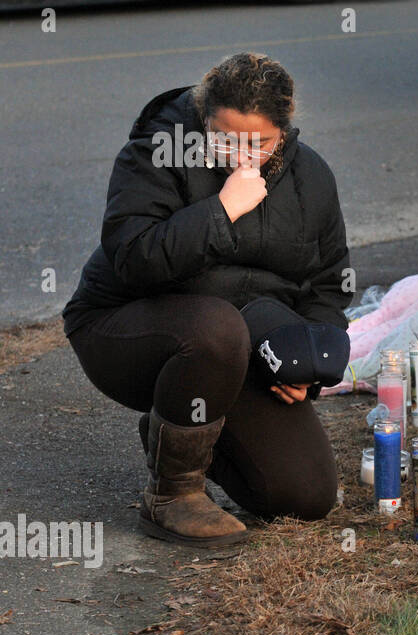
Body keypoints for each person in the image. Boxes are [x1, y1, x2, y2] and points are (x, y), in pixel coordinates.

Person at [62, 53, 352, 547]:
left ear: (283, 131)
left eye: (256, 143)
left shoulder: (312, 178)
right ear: (203, 119)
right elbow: (133, 257)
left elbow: (329, 285)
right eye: (223, 138)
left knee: (305, 496)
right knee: (216, 327)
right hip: (129, 329)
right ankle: (172, 494)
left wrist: (309, 365)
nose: (238, 155)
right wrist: (220, 212)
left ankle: (182, 432)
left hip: (237, 349)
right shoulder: (159, 150)